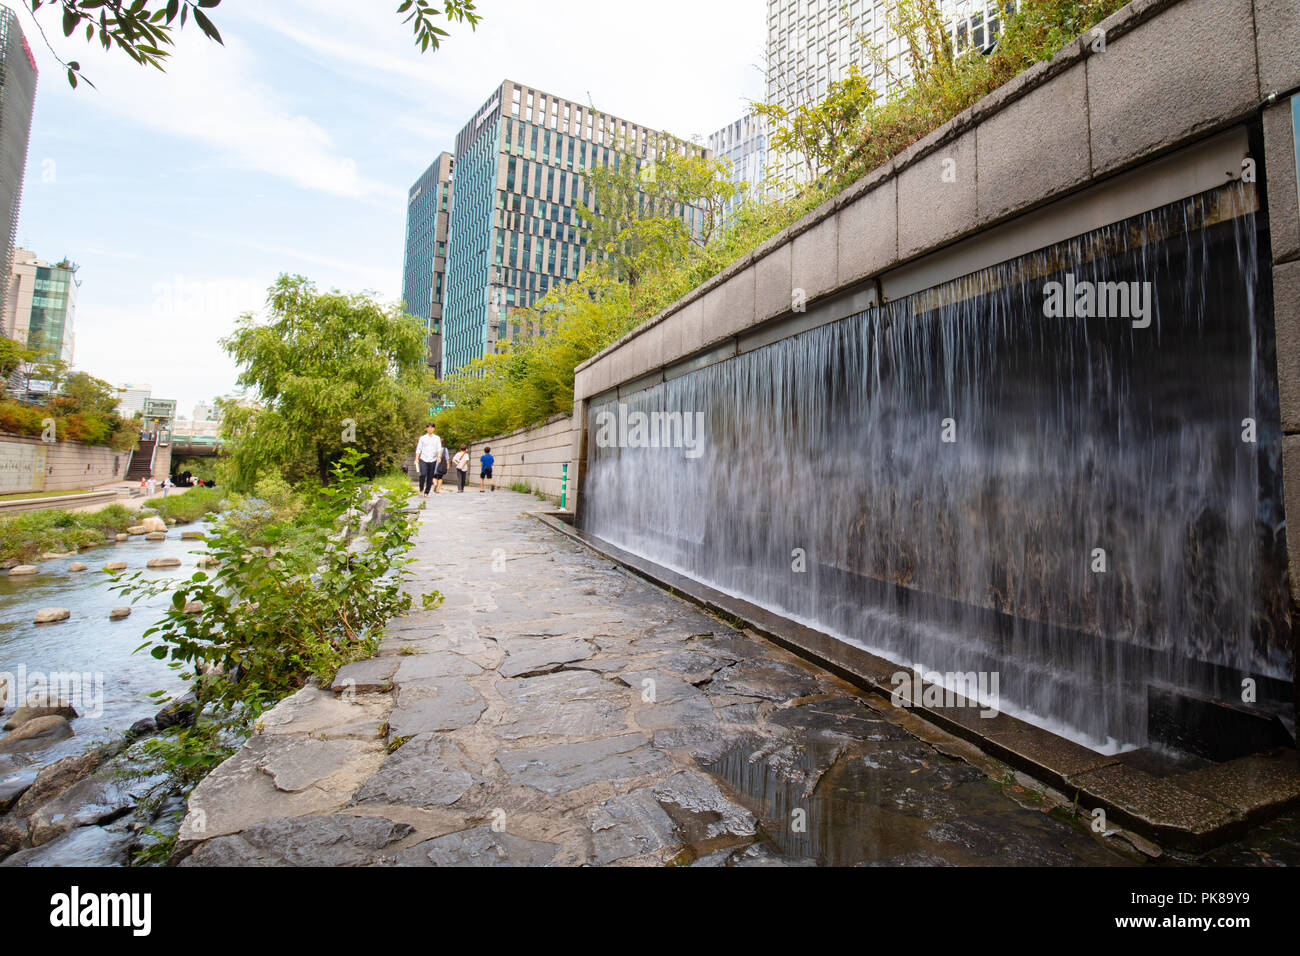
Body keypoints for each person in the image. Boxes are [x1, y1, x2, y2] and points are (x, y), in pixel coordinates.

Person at [414, 423, 442, 498]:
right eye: (429, 428)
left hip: (433, 459)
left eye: (432, 428)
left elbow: (439, 448)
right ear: (426, 429)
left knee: (430, 476)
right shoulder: (422, 438)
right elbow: (419, 449)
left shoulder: (437, 438)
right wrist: (416, 459)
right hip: (423, 458)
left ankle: (427, 492)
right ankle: (421, 490)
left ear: (434, 429)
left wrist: (439, 457)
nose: (430, 429)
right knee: (423, 474)